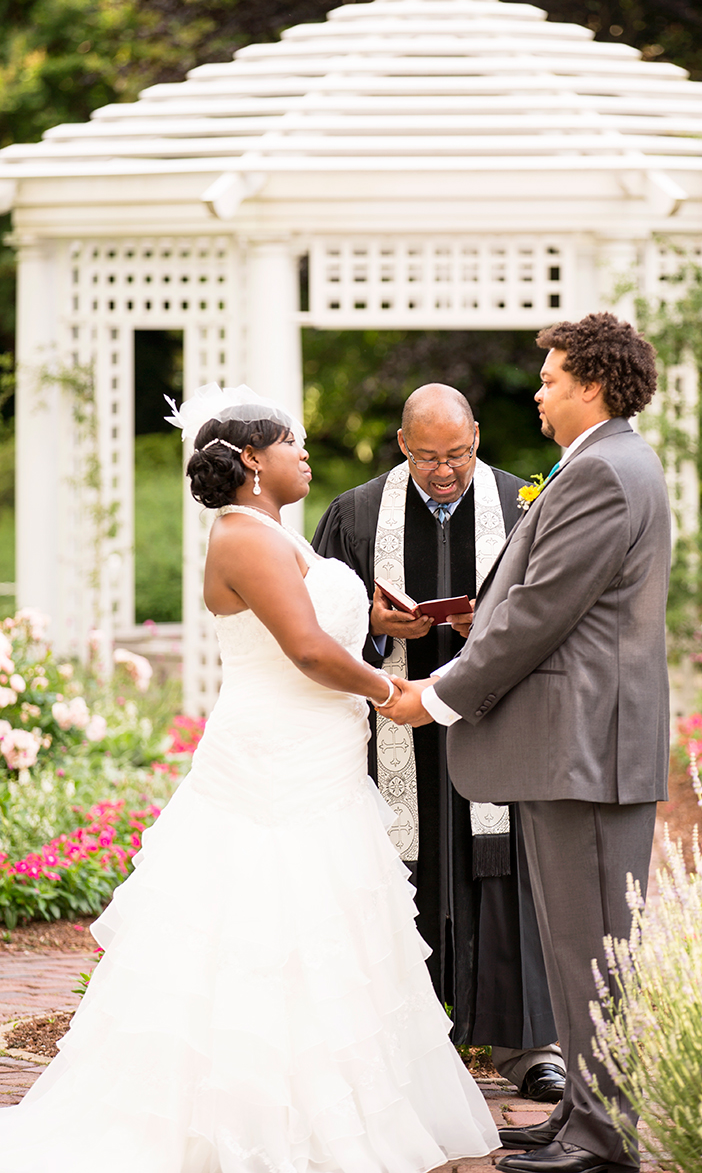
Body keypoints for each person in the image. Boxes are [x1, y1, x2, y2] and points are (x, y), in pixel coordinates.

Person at [0, 382, 497, 1173]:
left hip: (321, 761)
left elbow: (314, 620)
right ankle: (251, 1115)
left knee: (329, 931)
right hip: (273, 766)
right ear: (256, 464)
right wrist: (390, 691)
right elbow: (302, 650)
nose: (307, 454)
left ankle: (336, 1103)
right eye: (293, 443)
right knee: (263, 928)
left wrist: (376, 622)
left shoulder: (279, 537)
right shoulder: (241, 538)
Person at [384, 315, 671, 1173]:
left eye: (548, 378)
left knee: (593, 953)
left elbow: (540, 616)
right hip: (578, 747)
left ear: (589, 383)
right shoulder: (604, 464)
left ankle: (603, 1135)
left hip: (586, 750)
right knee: (578, 948)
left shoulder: (605, 474)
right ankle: (582, 1113)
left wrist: (437, 697)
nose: (538, 392)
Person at [312, 384, 566, 1102]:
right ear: (402, 446)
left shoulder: (525, 505)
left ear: (478, 438)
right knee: (401, 880)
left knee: (505, 875)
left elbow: (557, 612)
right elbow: (315, 630)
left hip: (495, 725)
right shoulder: (358, 514)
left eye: (458, 453)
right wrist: (374, 626)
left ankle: (526, 1047)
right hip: (401, 732)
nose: (445, 470)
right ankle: (404, 1049)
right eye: (428, 457)